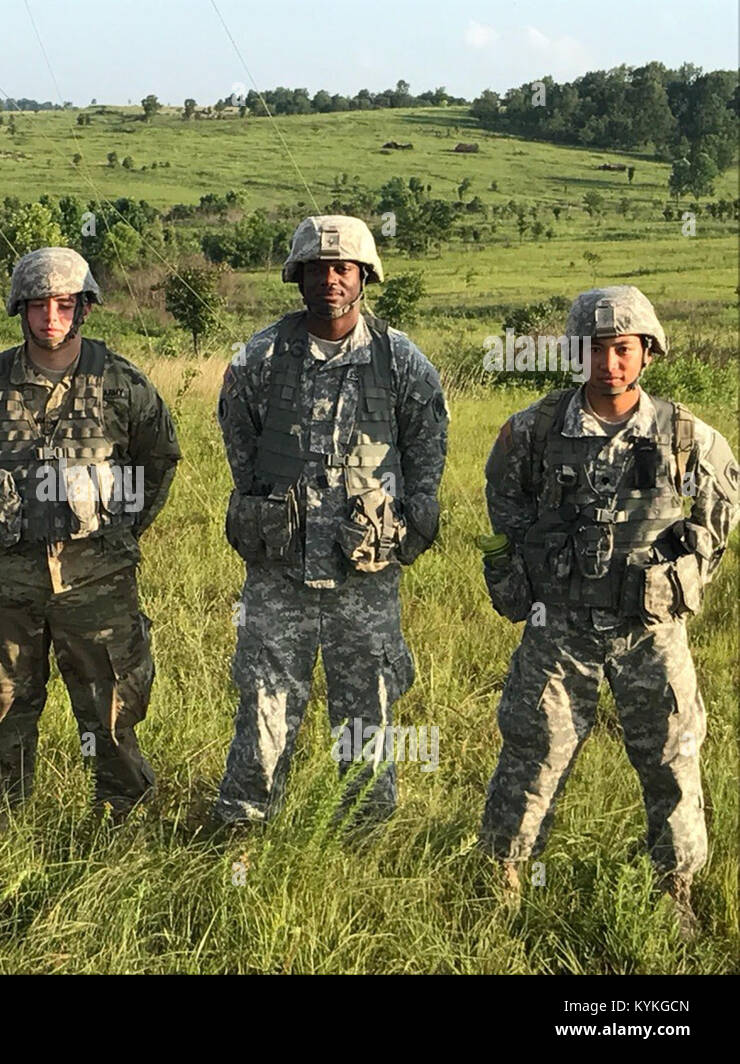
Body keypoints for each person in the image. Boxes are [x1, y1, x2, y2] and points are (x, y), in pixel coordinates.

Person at [478, 285, 739, 938]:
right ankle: (505, 878)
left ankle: (674, 889)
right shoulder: (535, 430)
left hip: (650, 631)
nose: (609, 363)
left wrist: (685, 575)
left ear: (647, 352)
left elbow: (722, 508)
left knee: (673, 756)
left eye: (622, 348)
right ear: (576, 354)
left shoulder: (684, 435)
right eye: (594, 349)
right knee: (533, 749)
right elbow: (504, 499)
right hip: (561, 627)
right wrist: (529, 567)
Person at [209, 215, 448, 830]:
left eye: (343, 268)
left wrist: (401, 532)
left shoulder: (400, 361)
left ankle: (365, 831)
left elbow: (425, 460)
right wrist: (268, 515)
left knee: (368, 706)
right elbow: (242, 449)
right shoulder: (260, 357)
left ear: (364, 276)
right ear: (298, 276)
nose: (330, 280)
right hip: (279, 572)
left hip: (364, 574)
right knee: (263, 706)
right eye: (317, 268)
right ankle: (244, 827)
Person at [0, 247, 180, 831]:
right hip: (4, 580)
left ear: (85, 309)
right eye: (39, 305)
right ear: (20, 309)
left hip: (97, 581)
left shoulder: (121, 383)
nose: (51, 317)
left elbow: (157, 460)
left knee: (111, 707)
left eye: (65, 305)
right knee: (1, 703)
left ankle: (120, 818)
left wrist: (117, 532)